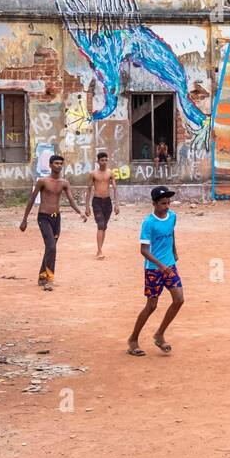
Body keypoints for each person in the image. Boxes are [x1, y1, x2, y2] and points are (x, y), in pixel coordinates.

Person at [128, 186, 185, 356]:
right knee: (151, 305)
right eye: (163, 203)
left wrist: (174, 250)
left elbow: (171, 233)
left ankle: (159, 334)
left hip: (169, 266)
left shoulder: (172, 216)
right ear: (154, 204)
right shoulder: (149, 223)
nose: (167, 206)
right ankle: (133, 339)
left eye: (168, 202)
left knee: (179, 299)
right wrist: (161, 266)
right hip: (154, 269)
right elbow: (144, 250)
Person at [20, 155, 86, 291]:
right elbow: (31, 200)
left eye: (60, 163)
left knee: (50, 248)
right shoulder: (42, 181)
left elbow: (71, 201)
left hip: (57, 219)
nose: (58, 166)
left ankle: (42, 276)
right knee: (51, 247)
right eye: (56, 163)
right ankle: (49, 280)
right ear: (50, 165)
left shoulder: (64, 183)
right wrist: (24, 219)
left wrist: (80, 212)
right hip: (44, 217)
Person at [86, 151, 119, 260]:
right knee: (100, 224)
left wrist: (116, 204)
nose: (104, 162)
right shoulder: (93, 174)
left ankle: (99, 249)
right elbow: (89, 189)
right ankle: (99, 251)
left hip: (108, 202)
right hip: (97, 201)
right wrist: (87, 206)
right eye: (102, 160)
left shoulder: (110, 173)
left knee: (104, 226)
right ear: (98, 161)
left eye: (105, 160)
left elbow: (115, 188)